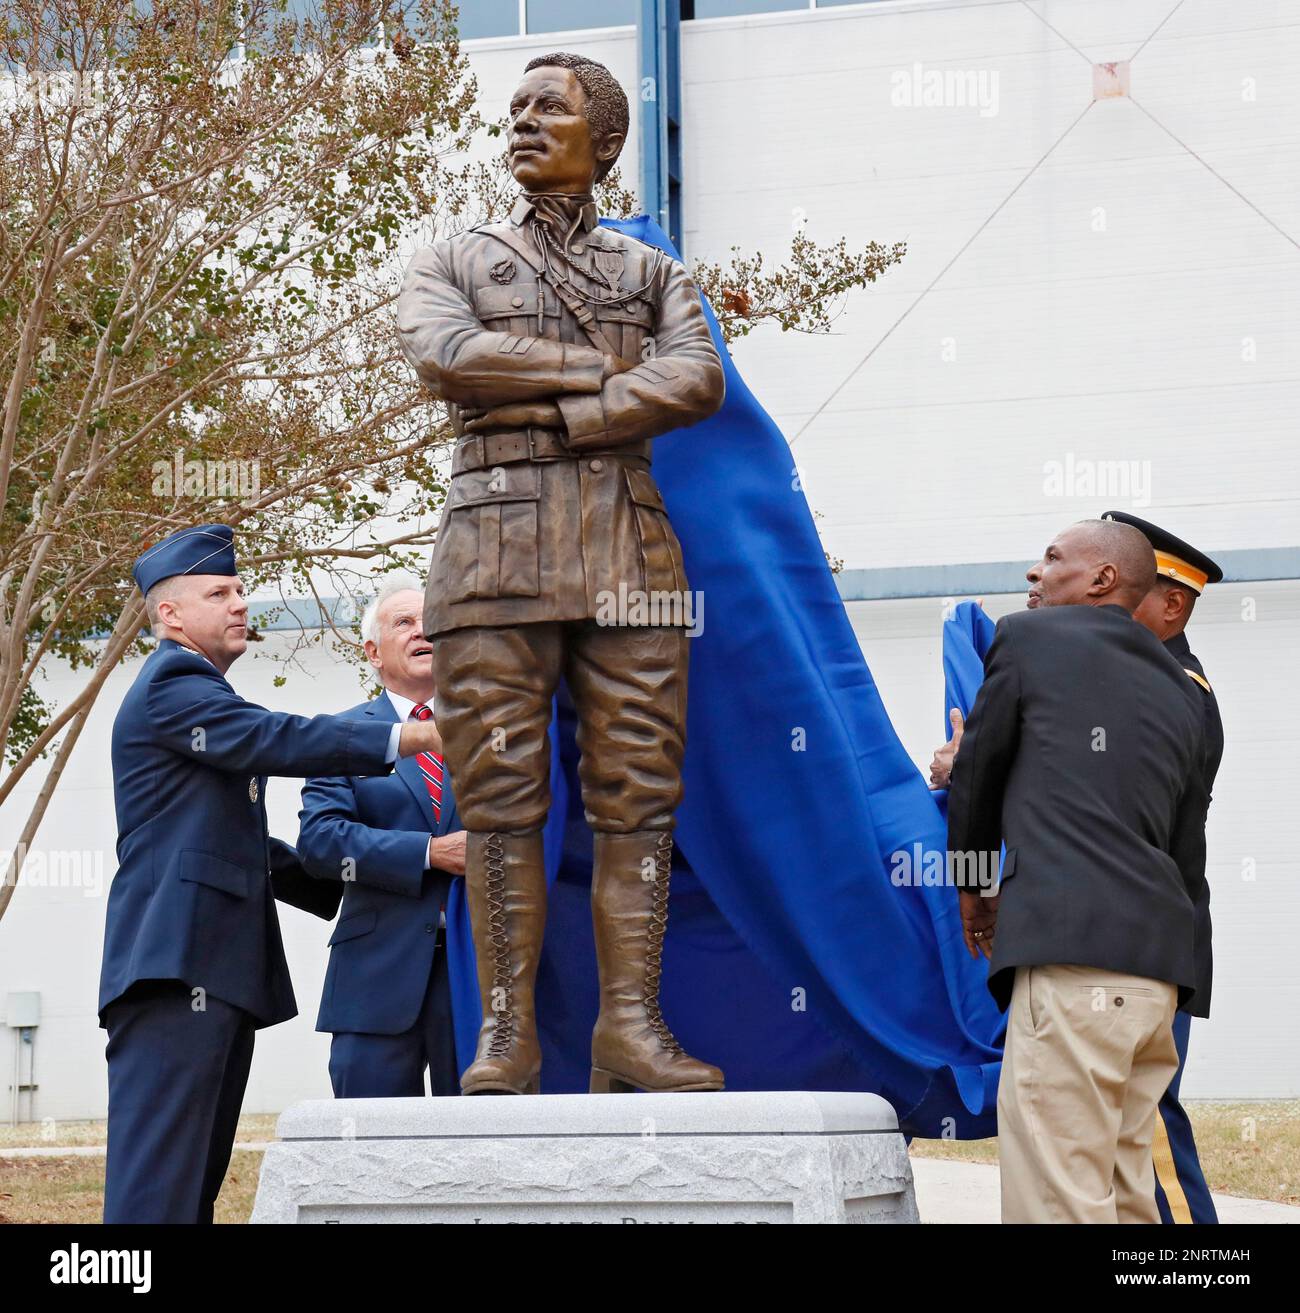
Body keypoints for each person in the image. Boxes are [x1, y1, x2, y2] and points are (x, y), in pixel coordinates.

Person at [396, 53, 726, 1095]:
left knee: (638, 794)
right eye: (518, 109)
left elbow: (699, 377)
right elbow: (446, 356)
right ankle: (505, 1033)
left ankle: (629, 1025)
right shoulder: (452, 256)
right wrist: (607, 375)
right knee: (498, 797)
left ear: (606, 140)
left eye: (552, 108)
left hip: (629, 549)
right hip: (491, 550)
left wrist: (566, 410)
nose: (526, 123)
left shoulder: (653, 274)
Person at [100, 525, 443, 1223]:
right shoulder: (174, 681)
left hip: (211, 972)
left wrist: (348, 877)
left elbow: (246, 847)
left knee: (189, 1186)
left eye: (240, 589)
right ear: (170, 614)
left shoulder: (200, 699)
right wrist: (410, 735)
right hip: (176, 970)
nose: (240, 602)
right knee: (155, 1197)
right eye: (219, 592)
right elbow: (275, 737)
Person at [946, 518, 1208, 1223]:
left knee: (1057, 1199)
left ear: (1102, 579)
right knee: (1125, 1200)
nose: (1038, 572)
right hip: (1155, 981)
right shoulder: (1186, 693)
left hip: (1074, 970)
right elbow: (1185, 851)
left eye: (1053, 558)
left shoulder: (1028, 638)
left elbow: (977, 777)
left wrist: (974, 886)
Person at [297, 580, 466, 1097]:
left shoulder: (496, 730)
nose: (423, 632)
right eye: (405, 623)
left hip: (479, 977)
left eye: (431, 620)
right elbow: (321, 842)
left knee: (488, 1147)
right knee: (366, 1150)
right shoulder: (339, 735)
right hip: (374, 980)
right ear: (372, 651)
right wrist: (429, 852)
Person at [1103, 510, 1224, 1225]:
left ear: (1172, 603)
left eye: (1129, 588)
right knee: (1127, 1128)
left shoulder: (1177, 690)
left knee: (1148, 1124)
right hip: (1139, 937)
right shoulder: (1141, 678)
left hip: (1152, 941)